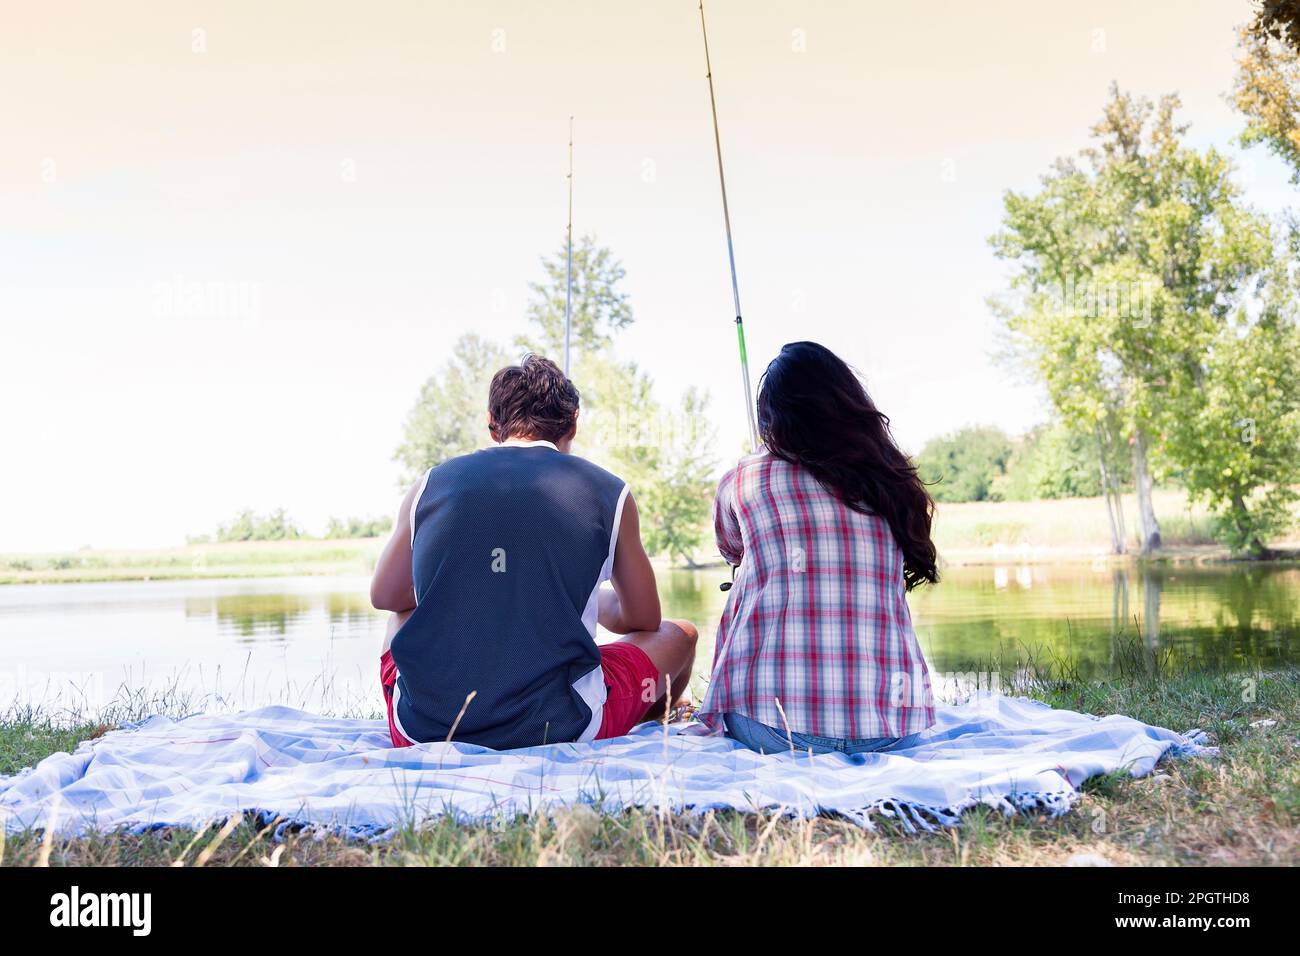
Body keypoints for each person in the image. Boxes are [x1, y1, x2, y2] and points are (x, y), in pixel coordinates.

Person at [369, 353, 697, 750]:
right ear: (573, 423)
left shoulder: (429, 485)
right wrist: (594, 602)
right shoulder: (611, 493)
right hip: (561, 729)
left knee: (405, 611)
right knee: (682, 635)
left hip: (420, 730)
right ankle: (649, 718)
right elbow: (646, 620)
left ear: (492, 424)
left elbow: (385, 596)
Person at [699, 341, 938, 755]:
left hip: (774, 731)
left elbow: (731, 550)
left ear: (772, 418)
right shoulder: (890, 479)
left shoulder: (743, 478)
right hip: (892, 731)